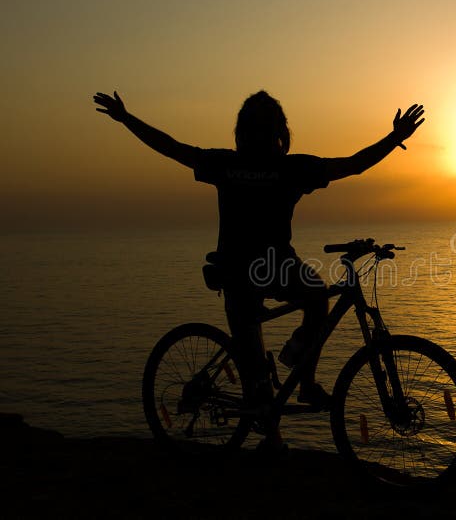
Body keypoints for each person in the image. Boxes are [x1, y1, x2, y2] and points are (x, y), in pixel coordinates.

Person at [93, 90, 424, 410]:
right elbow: (354, 165)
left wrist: (126, 119)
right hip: (249, 272)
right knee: (303, 320)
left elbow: (172, 148)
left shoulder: (231, 164)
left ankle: (297, 382)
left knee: (310, 306)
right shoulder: (287, 168)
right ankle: (299, 382)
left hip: (254, 269)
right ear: (280, 131)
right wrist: (393, 139)